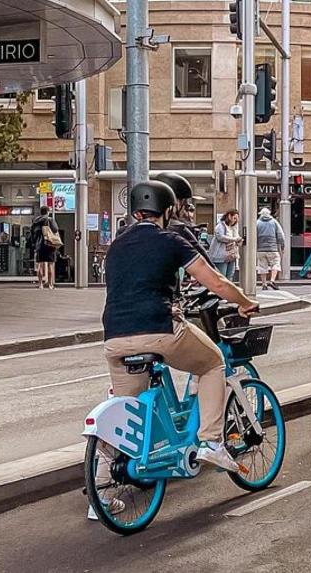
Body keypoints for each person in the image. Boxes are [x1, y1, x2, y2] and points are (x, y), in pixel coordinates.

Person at [102, 181, 260, 478]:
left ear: (134, 211)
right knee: (213, 362)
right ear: (168, 209)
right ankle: (212, 442)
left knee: (126, 411)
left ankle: (101, 494)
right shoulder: (170, 240)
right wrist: (245, 301)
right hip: (159, 328)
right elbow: (216, 282)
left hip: (114, 337)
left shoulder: (115, 247)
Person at [152, 172, 212, 263]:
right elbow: (206, 264)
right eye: (183, 202)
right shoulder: (179, 229)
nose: (185, 208)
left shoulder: (132, 230)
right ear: (176, 202)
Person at [256, 207, 285, 290]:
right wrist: (282, 246)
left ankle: (264, 284)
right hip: (273, 249)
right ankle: (272, 281)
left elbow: (254, 235)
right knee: (275, 263)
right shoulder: (274, 222)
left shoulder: (257, 223)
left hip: (260, 250)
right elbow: (281, 235)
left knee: (262, 266)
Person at [209, 209, 242, 280]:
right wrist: (234, 239)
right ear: (229, 216)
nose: (235, 221)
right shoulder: (220, 226)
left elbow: (236, 237)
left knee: (229, 277)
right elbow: (220, 237)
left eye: (236, 219)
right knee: (222, 278)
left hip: (231, 256)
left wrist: (238, 241)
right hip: (221, 257)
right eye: (234, 218)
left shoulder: (233, 228)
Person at [31, 205, 59, 289]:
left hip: (39, 245)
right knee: (50, 264)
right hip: (49, 244)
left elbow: (32, 234)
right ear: (47, 212)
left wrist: (35, 243)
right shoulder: (50, 219)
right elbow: (55, 229)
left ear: (41, 212)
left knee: (40, 264)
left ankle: (40, 284)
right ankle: (50, 285)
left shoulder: (35, 221)